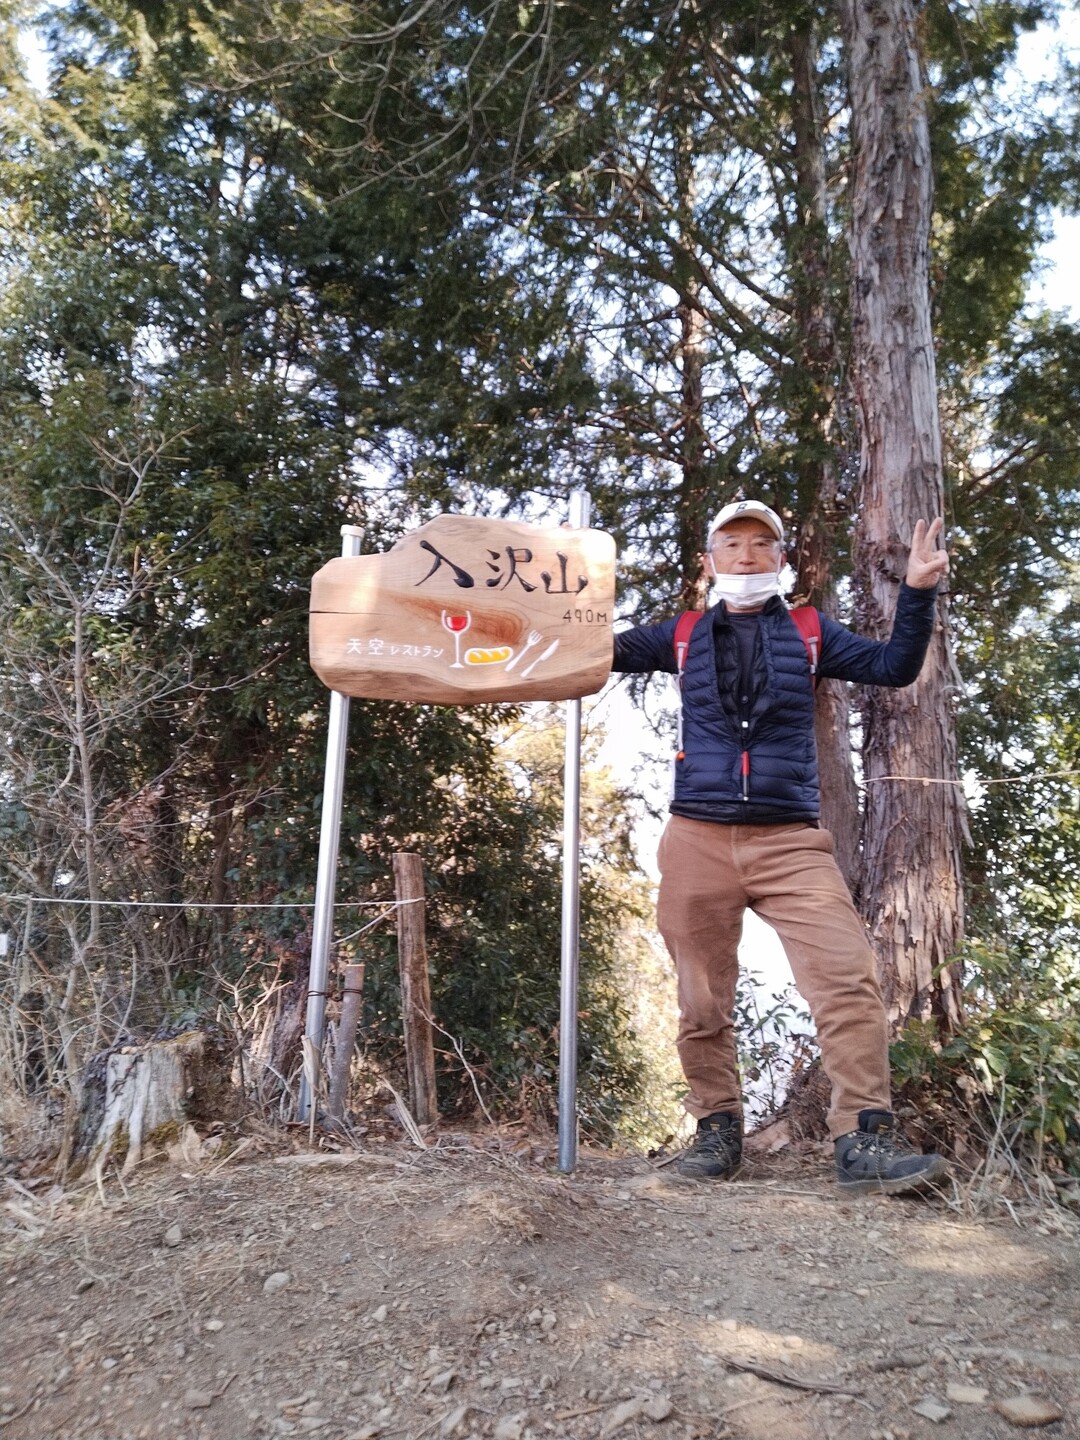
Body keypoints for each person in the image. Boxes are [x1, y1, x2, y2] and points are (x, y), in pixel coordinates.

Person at [613, 499, 950, 1194]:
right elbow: (591, 653)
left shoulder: (809, 630)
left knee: (847, 977)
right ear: (709, 561)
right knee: (701, 999)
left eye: (762, 543)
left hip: (793, 842)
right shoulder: (680, 633)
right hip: (696, 837)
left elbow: (894, 666)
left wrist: (918, 592)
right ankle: (717, 1132)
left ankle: (863, 1140)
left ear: (782, 559)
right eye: (731, 543)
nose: (746, 554)